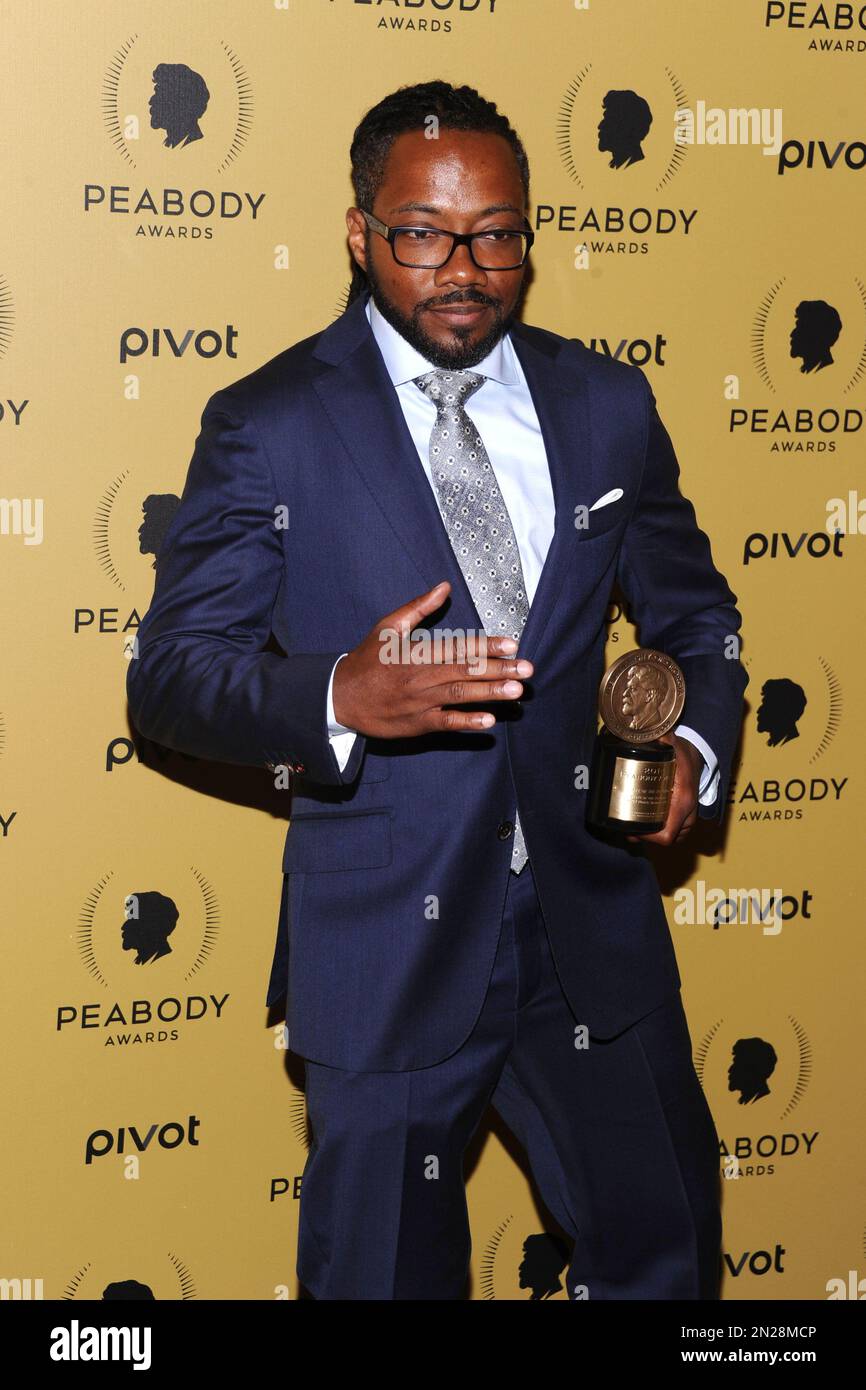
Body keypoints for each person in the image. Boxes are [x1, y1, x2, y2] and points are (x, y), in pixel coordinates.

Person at [126, 80, 748, 1301]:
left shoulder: (604, 404)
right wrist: (335, 699)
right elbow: (172, 677)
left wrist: (689, 741)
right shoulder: (269, 424)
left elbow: (696, 616)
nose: (460, 269)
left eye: (495, 234)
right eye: (420, 232)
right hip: (386, 944)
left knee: (665, 1264)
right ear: (360, 233)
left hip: (590, 930)